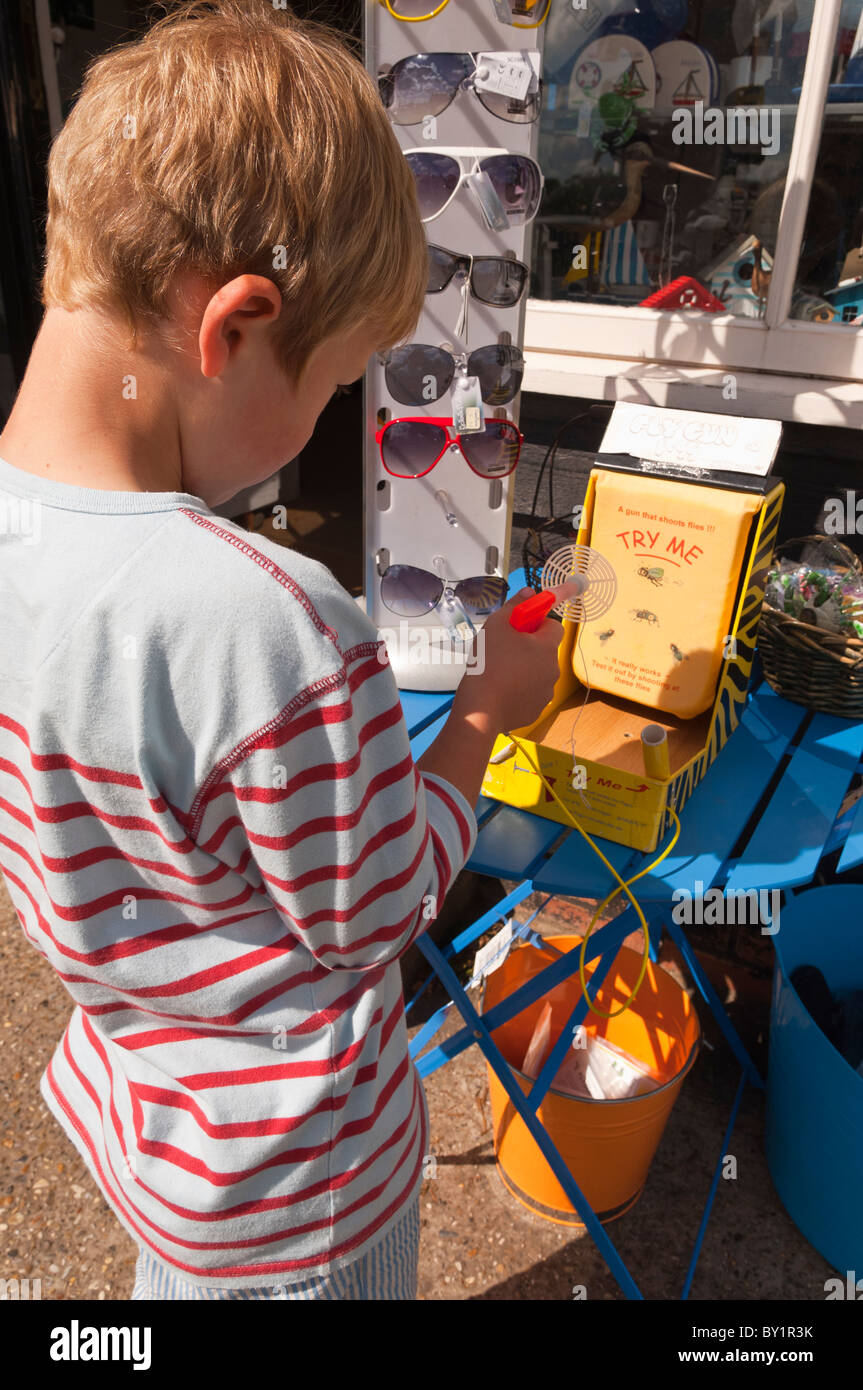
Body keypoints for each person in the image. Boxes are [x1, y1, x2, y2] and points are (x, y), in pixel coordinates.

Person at [0, 0, 561, 1299]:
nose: (320, 430)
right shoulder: (275, 620)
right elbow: (378, 911)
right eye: (333, 387)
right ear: (236, 326)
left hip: (162, 1159)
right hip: (306, 1204)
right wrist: (486, 712)